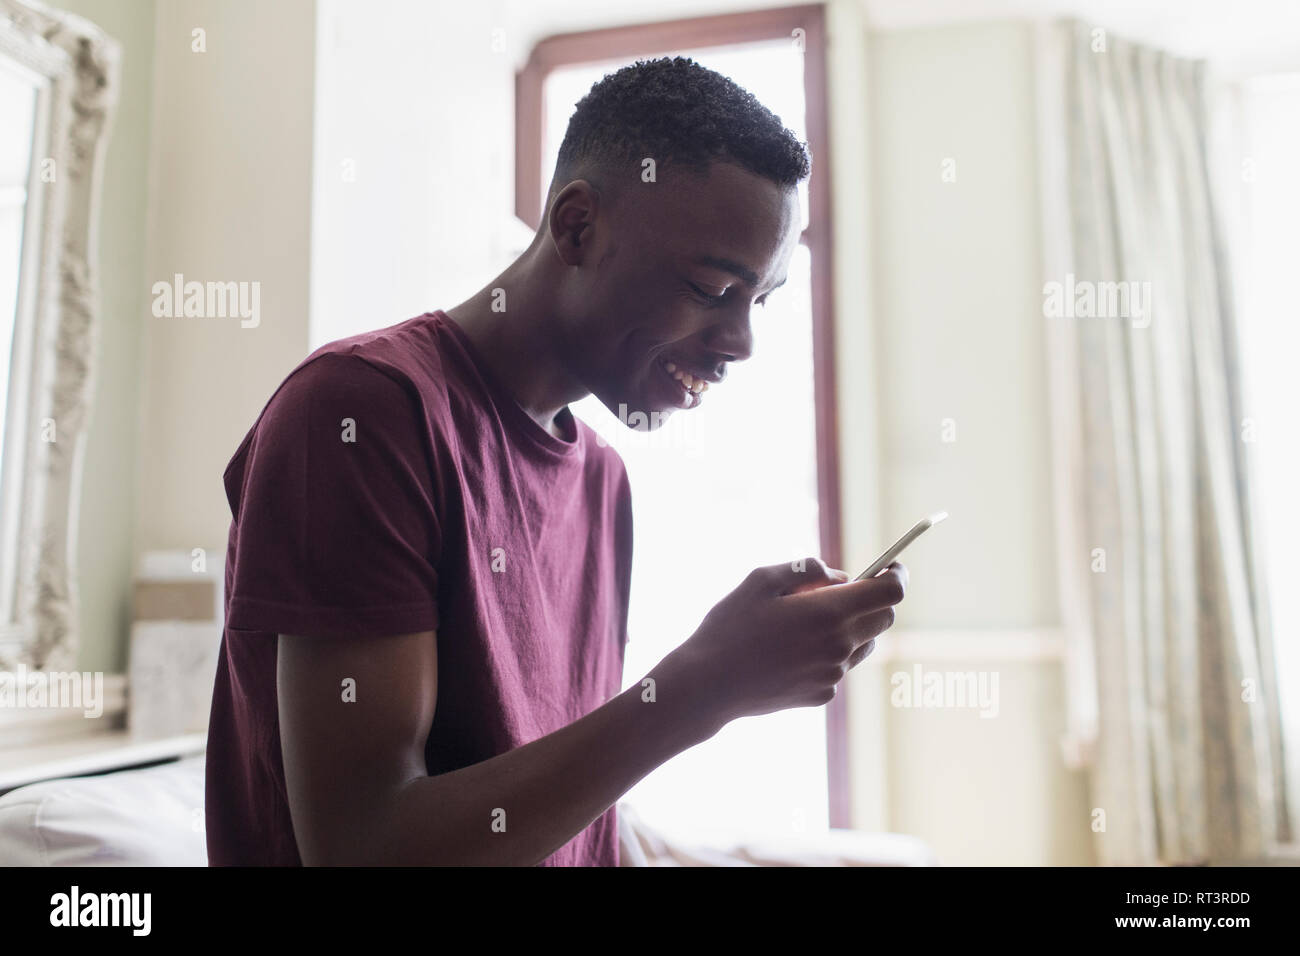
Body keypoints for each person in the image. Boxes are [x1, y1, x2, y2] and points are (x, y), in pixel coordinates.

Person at [205, 56, 906, 866]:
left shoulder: (604, 480)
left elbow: (571, 822)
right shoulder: (361, 414)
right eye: (714, 289)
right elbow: (365, 847)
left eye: (763, 301)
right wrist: (702, 687)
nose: (742, 344)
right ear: (577, 227)